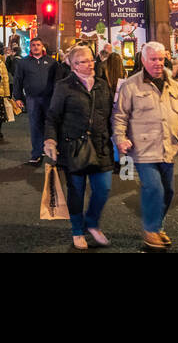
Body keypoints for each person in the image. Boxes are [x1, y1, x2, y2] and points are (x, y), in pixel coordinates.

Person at [113, 41, 178, 250]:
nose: (158, 63)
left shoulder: (175, 86)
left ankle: (157, 226)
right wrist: (120, 138)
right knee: (154, 188)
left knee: (168, 191)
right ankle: (151, 231)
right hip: (143, 149)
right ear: (143, 60)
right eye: (153, 59)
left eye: (161, 59)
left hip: (168, 147)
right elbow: (119, 116)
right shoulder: (130, 85)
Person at [43, 44, 114, 250]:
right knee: (76, 191)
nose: (90, 64)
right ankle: (77, 231)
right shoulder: (64, 86)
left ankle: (92, 222)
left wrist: (119, 137)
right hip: (73, 147)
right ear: (73, 65)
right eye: (84, 61)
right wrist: (50, 140)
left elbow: (109, 115)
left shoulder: (102, 84)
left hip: (100, 145)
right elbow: (53, 116)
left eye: (91, 60)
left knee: (103, 188)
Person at [13, 37, 57, 165]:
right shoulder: (23, 63)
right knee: (35, 125)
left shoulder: (52, 62)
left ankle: (50, 149)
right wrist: (18, 97)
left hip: (49, 99)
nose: (36, 47)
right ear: (30, 47)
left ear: (42, 46)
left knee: (50, 125)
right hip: (32, 99)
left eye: (38, 44)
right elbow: (17, 81)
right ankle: (36, 153)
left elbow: (57, 81)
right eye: (33, 45)